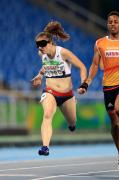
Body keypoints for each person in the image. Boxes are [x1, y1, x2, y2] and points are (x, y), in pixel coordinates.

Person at [79, 11, 119, 172]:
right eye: (110, 22)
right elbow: (95, 66)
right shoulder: (100, 43)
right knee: (114, 124)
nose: (112, 24)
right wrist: (86, 83)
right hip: (108, 86)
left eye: (116, 21)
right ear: (107, 25)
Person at [31, 21, 87, 156]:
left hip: (67, 94)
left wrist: (83, 84)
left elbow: (82, 67)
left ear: (51, 43)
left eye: (43, 44)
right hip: (50, 91)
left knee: (72, 121)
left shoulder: (64, 53)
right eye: (38, 45)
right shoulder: (42, 54)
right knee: (48, 114)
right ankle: (45, 147)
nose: (40, 48)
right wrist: (40, 75)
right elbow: (46, 66)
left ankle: (72, 124)